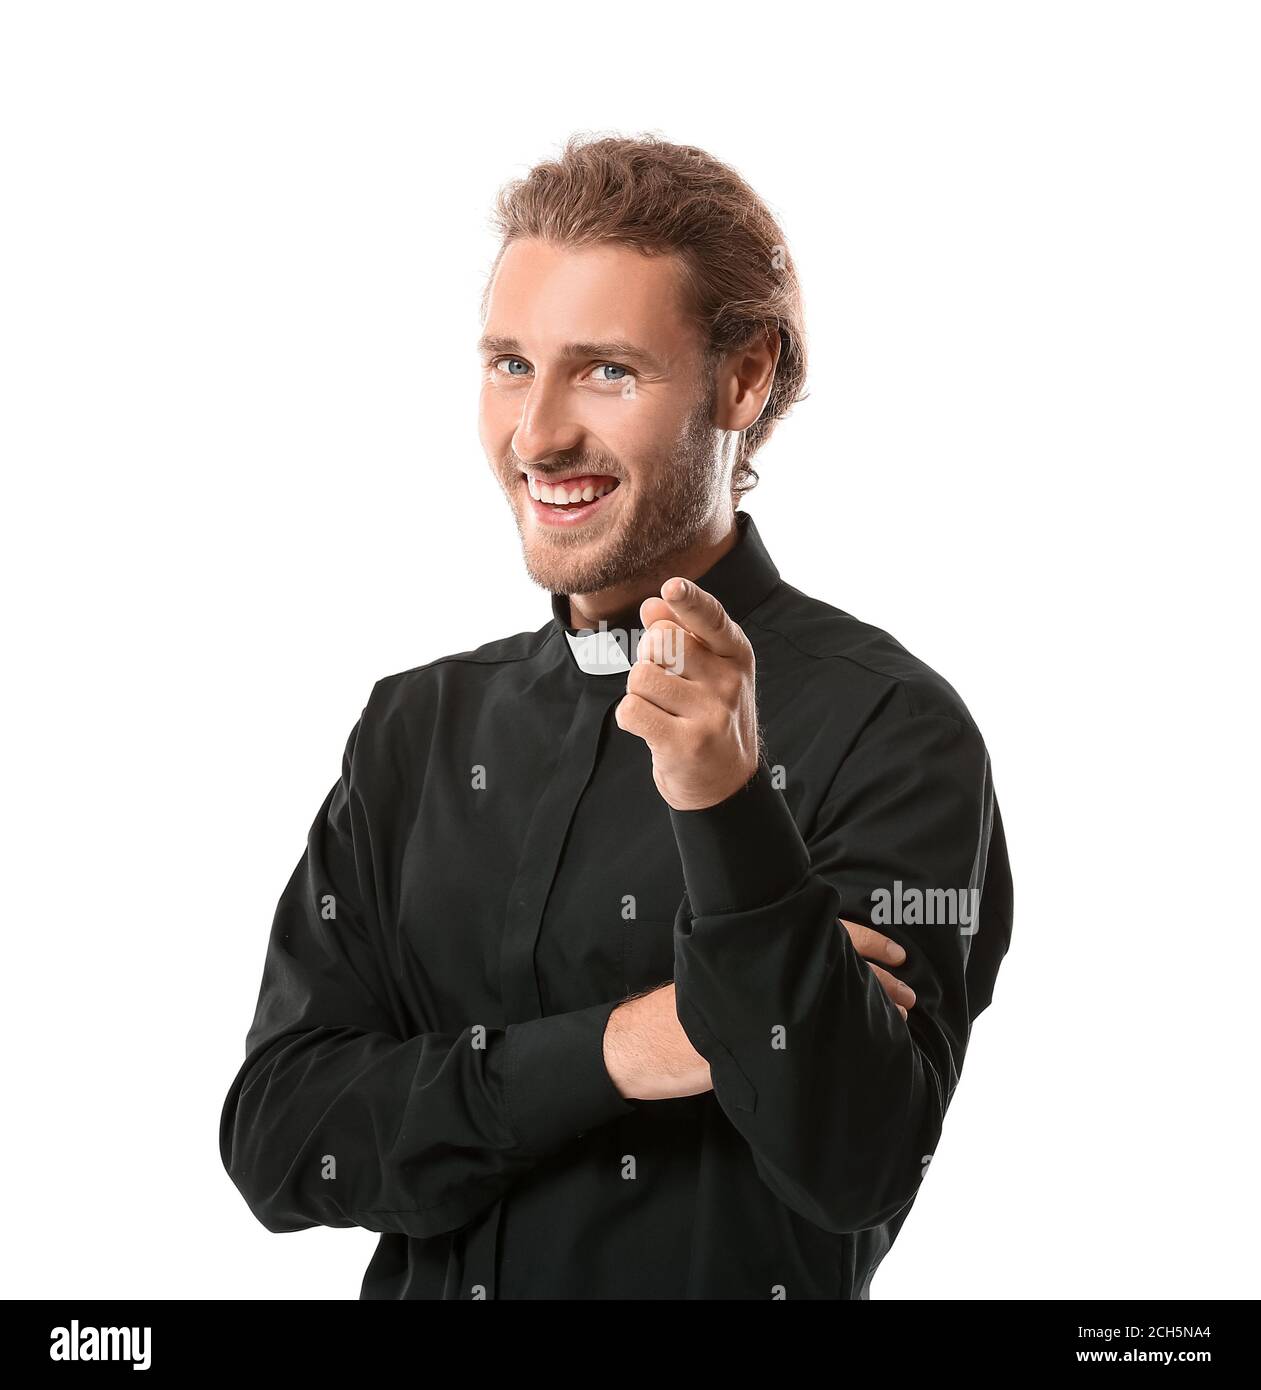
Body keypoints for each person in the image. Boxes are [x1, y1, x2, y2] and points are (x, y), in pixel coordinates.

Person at [219, 133, 1013, 1299]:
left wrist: (729, 808)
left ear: (744, 378)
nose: (536, 434)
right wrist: (623, 1049)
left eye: (606, 371)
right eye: (508, 364)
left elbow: (855, 1159)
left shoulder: (892, 731)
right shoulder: (414, 729)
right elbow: (280, 1140)